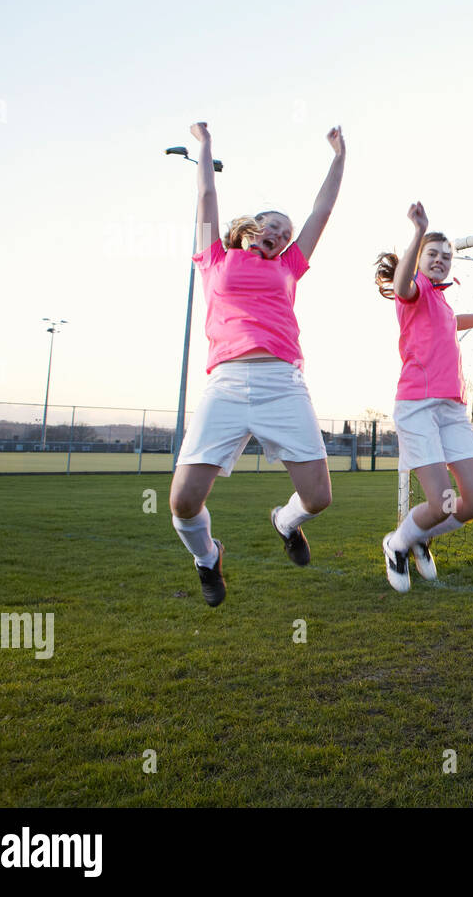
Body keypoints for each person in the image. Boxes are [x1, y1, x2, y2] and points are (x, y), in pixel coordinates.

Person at [169, 121, 345, 606]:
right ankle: (208, 558)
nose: (280, 234)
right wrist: (205, 146)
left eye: (286, 233)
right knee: (183, 502)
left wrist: (337, 156)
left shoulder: (288, 267)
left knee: (318, 498)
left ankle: (285, 522)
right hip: (224, 384)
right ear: (251, 228)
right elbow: (206, 193)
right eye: (272, 225)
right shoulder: (213, 258)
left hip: (282, 384)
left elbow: (322, 211)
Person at [376, 202, 473, 592]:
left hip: (453, 409)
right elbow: (402, 283)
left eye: (446, 257)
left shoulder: (441, 301)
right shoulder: (415, 291)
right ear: (420, 259)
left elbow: (457, 321)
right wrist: (418, 231)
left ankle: (420, 536)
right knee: (441, 502)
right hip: (418, 407)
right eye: (433, 255)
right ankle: (398, 543)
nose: (441, 261)